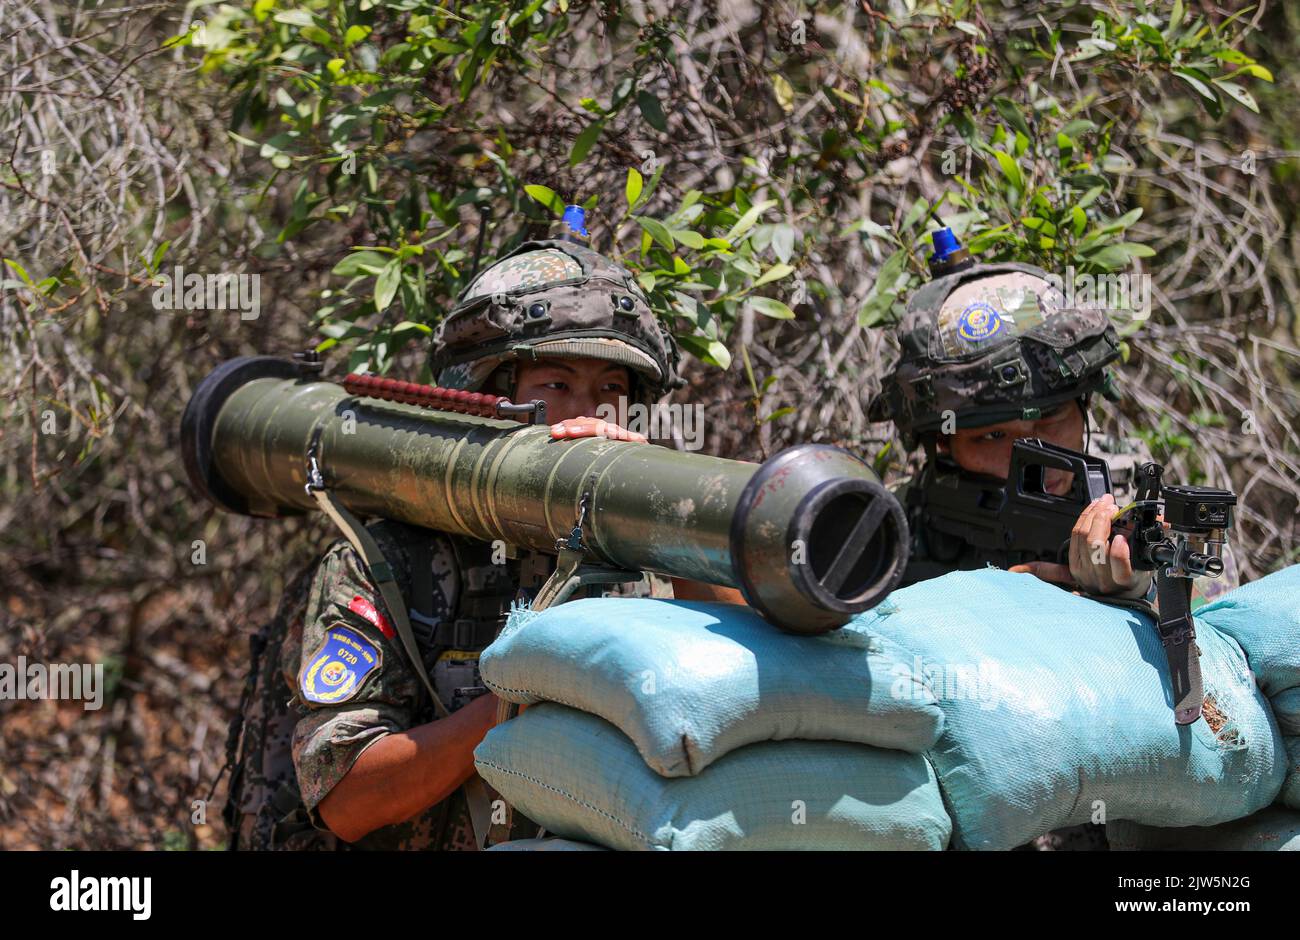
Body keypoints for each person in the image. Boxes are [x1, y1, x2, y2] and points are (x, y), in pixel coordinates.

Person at [224, 228, 740, 850]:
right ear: (492, 399)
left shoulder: (636, 553)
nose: (589, 413)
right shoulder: (391, 561)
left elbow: (740, 693)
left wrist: (668, 527)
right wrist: (514, 705)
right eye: (556, 385)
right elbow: (349, 799)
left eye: (612, 389)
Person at [871, 230, 1240, 849]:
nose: (1034, 456)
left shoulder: (1137, 524)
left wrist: (1128, 607)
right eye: (992, 437)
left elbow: (1221, 703)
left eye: (1051, 421)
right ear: (940, 441)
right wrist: (980, 611)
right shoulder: (883, 543)